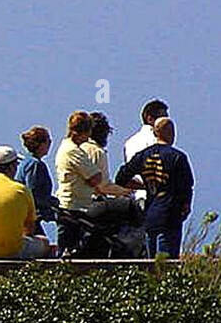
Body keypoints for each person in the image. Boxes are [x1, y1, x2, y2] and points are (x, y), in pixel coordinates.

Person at [54, 110, 135, 254]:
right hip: (77, 206)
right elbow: (99, 182)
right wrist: (125, 192)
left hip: (71, 204)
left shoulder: (71, 147)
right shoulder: (85, 151)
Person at [115, 116, 194, 258]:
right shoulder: (177, 157)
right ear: (170, 132)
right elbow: (186, 186)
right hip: (171, 213)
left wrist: (144, 186)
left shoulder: (143, 155)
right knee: (167, 264)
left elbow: (121, 178)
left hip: (150, 212)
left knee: (151, 262)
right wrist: (185, 206)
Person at [123, 99, 169, 208]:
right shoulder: (155, 141)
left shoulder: (130, 141)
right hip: (153, 198)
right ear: (150, 119)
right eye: (163, 118)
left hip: (138, 196)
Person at [19, 126, 57, 238]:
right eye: (48, 141)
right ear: (41, 144)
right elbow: (33, 194)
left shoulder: (26, 162)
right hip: (29, 217)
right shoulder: (35, 165)